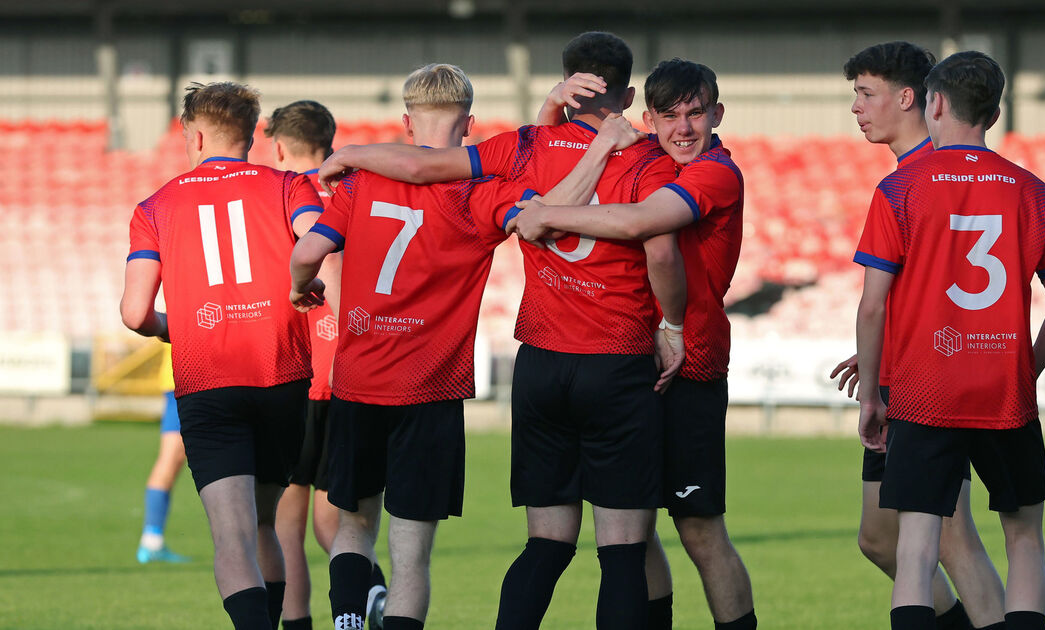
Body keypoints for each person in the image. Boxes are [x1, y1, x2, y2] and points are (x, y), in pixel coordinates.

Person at [320, 33, 686, 630]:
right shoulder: (649, 160)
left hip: (540, 362)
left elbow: (419, 166)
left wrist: (351, 153)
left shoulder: (521, 148)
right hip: (615, 358)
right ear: (628, 93)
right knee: (622, 552)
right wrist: (671, 325)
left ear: (567, 84)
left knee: (545, 545)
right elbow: (663, 252)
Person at [510, 57, 756, 630]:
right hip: (633, 364)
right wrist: (552, 105)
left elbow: (641, 224)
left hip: (689, 360)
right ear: (649, 118)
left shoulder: (716, 172)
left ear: (717, 114)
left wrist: (544, 213)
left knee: (698, 527)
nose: (684, 128)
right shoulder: (645, 156)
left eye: (696, 114)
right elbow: (558, 145)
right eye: (669, 116)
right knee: (633, 526)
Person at [852, 51, 1045, 630]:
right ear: (996, 110)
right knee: (1024, 538)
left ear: (933, 102)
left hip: (925, 392)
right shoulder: (1034, 192)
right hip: (1003, 393)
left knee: (916, 546)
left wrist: (871, 396)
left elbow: (875, 304)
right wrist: (1021, 368)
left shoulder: (901, 189)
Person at [121, 81, 324, 630]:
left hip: (207, 379)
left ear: (198, 133)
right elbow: (318, 241)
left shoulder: (156, 205)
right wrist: (302, 283)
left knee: (231, 535)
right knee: (265, 524)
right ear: (253, 134)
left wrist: (178, 328)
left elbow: (135, 313)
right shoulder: (290, 186)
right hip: (281, 373)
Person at [830, 41, 1007, 630]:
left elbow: (964, 292)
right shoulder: (908, 176)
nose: (856, 108)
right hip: (906, 373)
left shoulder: (934, 177)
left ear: (909, 98)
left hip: (933, 389)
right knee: (879, 538)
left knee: (952, 539)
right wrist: (882, 351)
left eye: (865, 94)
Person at [264, 100, 390, 630]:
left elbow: (321, 261)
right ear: (331, 139)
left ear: (276, 145)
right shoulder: (355, 192)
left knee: (284, 524)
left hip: (305, 377)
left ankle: (299, 623)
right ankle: (373, 596)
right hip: (355, 378)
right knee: (335, 523)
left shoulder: (283, 200)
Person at [136, 348, 190, 564]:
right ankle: (151, 541)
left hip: (181, 378)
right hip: (187, 378)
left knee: (171, 460)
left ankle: (152, 540)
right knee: (170, 459)